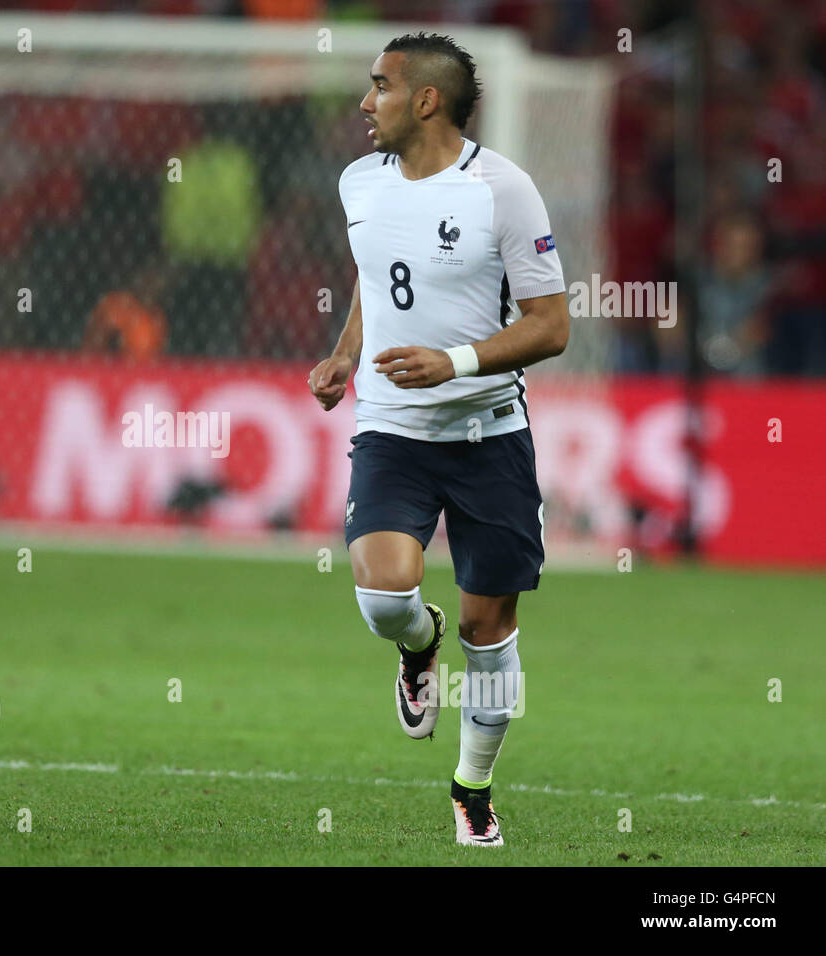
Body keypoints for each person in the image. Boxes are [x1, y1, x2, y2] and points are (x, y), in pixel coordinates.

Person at [308, 33, 569, 846]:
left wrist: (452, 361)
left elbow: (552, 326)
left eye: (379, 86)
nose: (364, 102)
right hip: (393, 428)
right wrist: (348, 354)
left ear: (425, 100)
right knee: (386, 595)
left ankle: (473, 789)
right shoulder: (359, 181)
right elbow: (372, 268)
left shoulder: (503, 189)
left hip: (490, 435)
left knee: (489, 629)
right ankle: (419, 649)